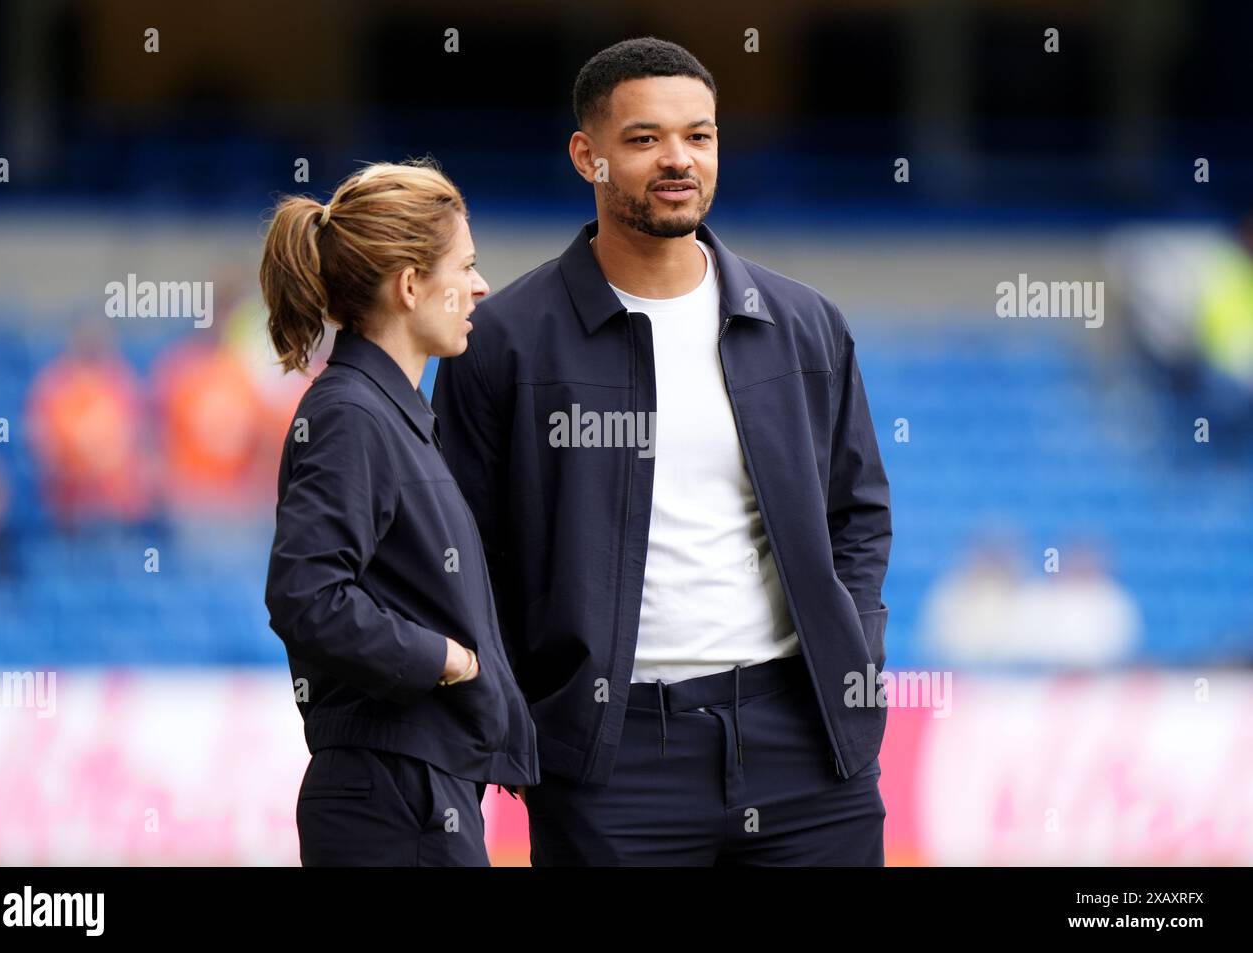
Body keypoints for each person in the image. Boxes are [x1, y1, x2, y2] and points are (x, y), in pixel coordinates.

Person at [433, 38, 892, 865]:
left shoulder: (803, 323)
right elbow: (464, 549)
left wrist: (856, 646)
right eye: (644, 139)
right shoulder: (504, 341)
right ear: (588, 156)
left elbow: (857, 513)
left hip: (808, 745)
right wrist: (532, 719)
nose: (678, 159)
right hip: (610, 759)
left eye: (700, 136)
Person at [261, 159, 537, 866]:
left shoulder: (387, 412)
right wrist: (449, 660)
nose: (479, 287)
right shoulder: (352, 413)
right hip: (391, 794)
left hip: (416, 789)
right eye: (467, 266)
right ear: (412, 285)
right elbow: (307, 595)